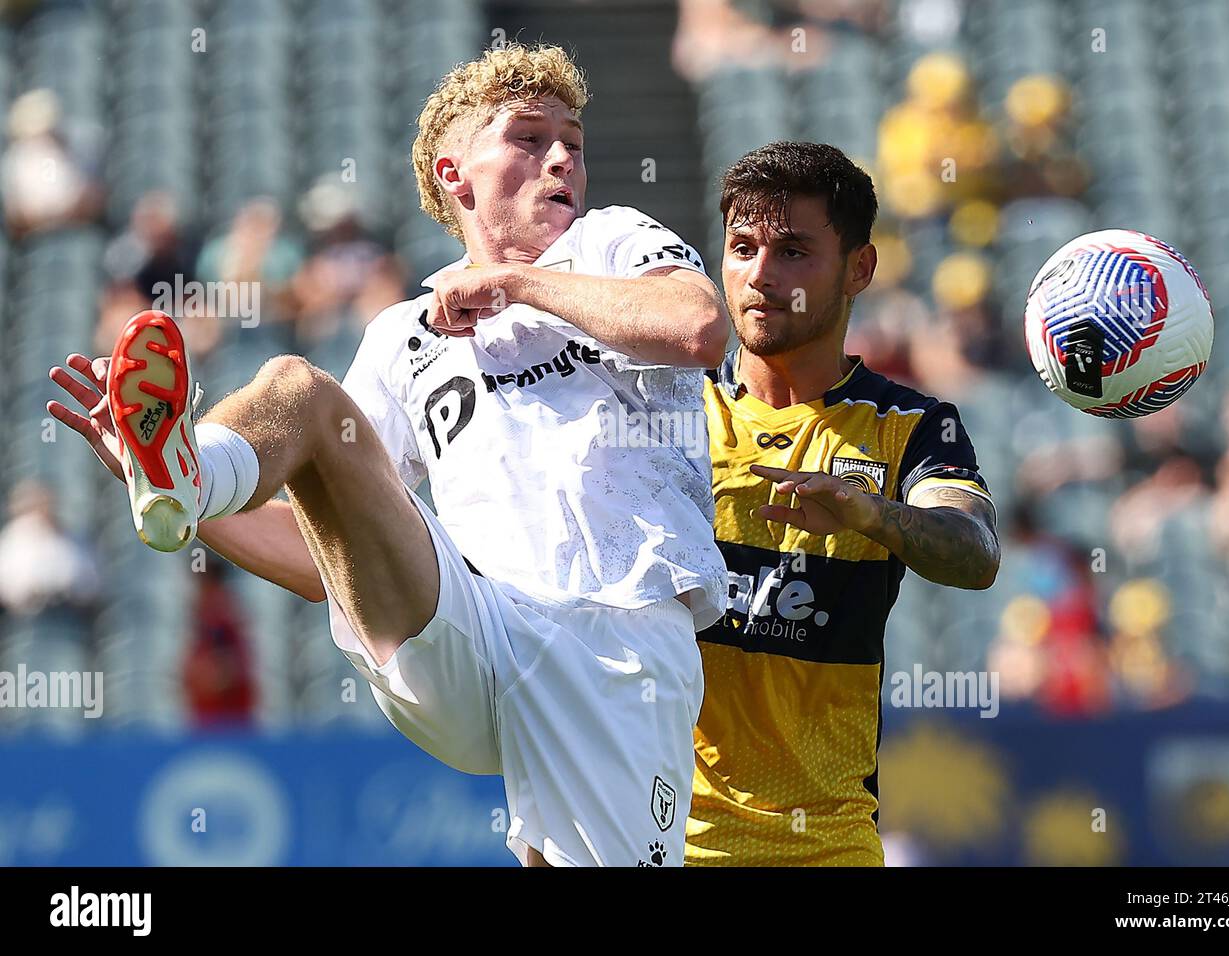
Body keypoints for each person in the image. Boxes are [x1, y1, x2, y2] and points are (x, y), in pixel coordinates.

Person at [48, 43, 729, 868]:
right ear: (455, 174)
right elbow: (328, 552)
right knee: (298, 391)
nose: (561, 160)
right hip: (466, 624)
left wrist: (516, 284)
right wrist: (182, 508)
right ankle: (191, 471)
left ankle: (190, 476)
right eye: (528, 137)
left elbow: (695, 328)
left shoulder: (613, 243)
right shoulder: (404, 335)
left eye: (573, 143)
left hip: (615, 633)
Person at [687, 141, 1001, 866]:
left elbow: (975, 553)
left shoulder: (911, 427)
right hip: (663, 843)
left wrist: (871, 515)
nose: (760, 276)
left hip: (826, 848)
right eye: (741, 248)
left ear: (860, 267)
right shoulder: (667, 413)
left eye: (793, 251)